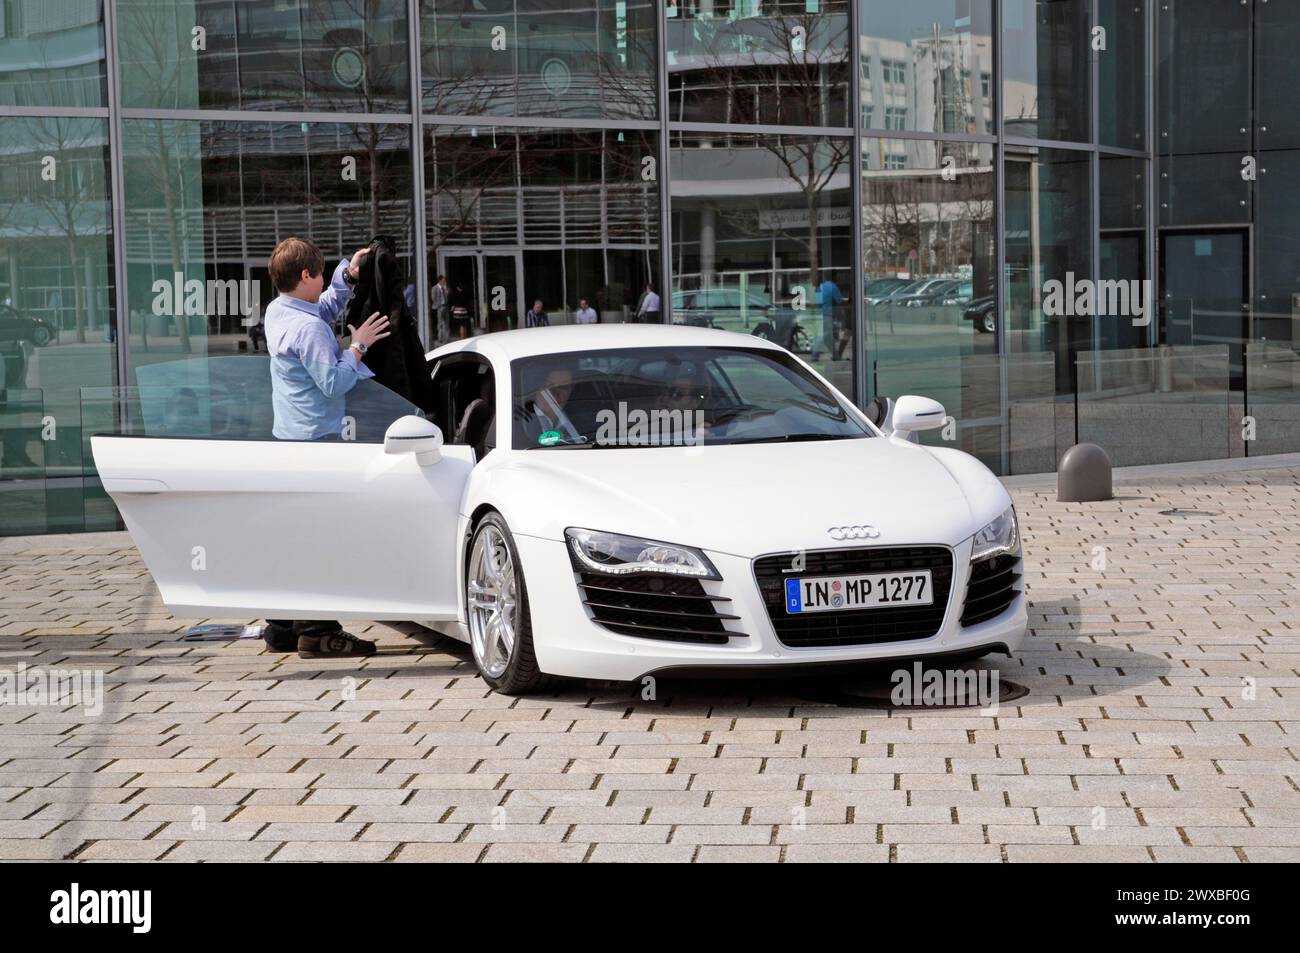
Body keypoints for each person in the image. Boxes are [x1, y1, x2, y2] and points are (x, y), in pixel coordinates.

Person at [261, 236, 392, 659]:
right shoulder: (309, 328)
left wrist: (346, 275)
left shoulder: (279, 310)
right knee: (320, 537)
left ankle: (282, 625)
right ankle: (317, 632)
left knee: (293, 535)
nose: (322, 281)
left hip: (287, 441)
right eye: (319, 274)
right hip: (317, 445)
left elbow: (321, 309)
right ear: (305, 275)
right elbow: (334, 381)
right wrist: (359, 345)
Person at [430, 274, 449, 342]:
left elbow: (445, 298)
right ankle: (439, 338)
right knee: (440, 323)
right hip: (438, 307)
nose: (445, 281)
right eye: (444, 280)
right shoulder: (434, 288)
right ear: (440, 281)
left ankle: (444, 337)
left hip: (444, 307)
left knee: (444, 322)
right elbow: (433, 298)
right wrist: (438, 306)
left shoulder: (444, 288)